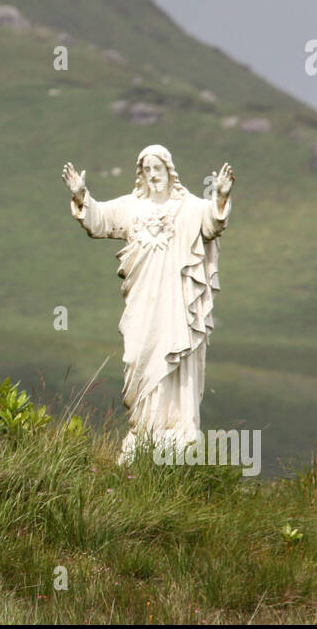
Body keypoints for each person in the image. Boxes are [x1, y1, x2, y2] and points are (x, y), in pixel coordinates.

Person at [62, 145, 235, 464]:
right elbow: (99, 221)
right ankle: (144, 429)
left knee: (175, 355)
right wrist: (82, 194)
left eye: (158, 168)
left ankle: (177, 429)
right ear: (140, 174)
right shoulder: (132, 207)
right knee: (137, 355)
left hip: (177, 300)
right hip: (141, 299)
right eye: (147, 169)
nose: (153, 174)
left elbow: (212, 224)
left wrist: (220, 197)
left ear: (171, 171)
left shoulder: (187, 208)